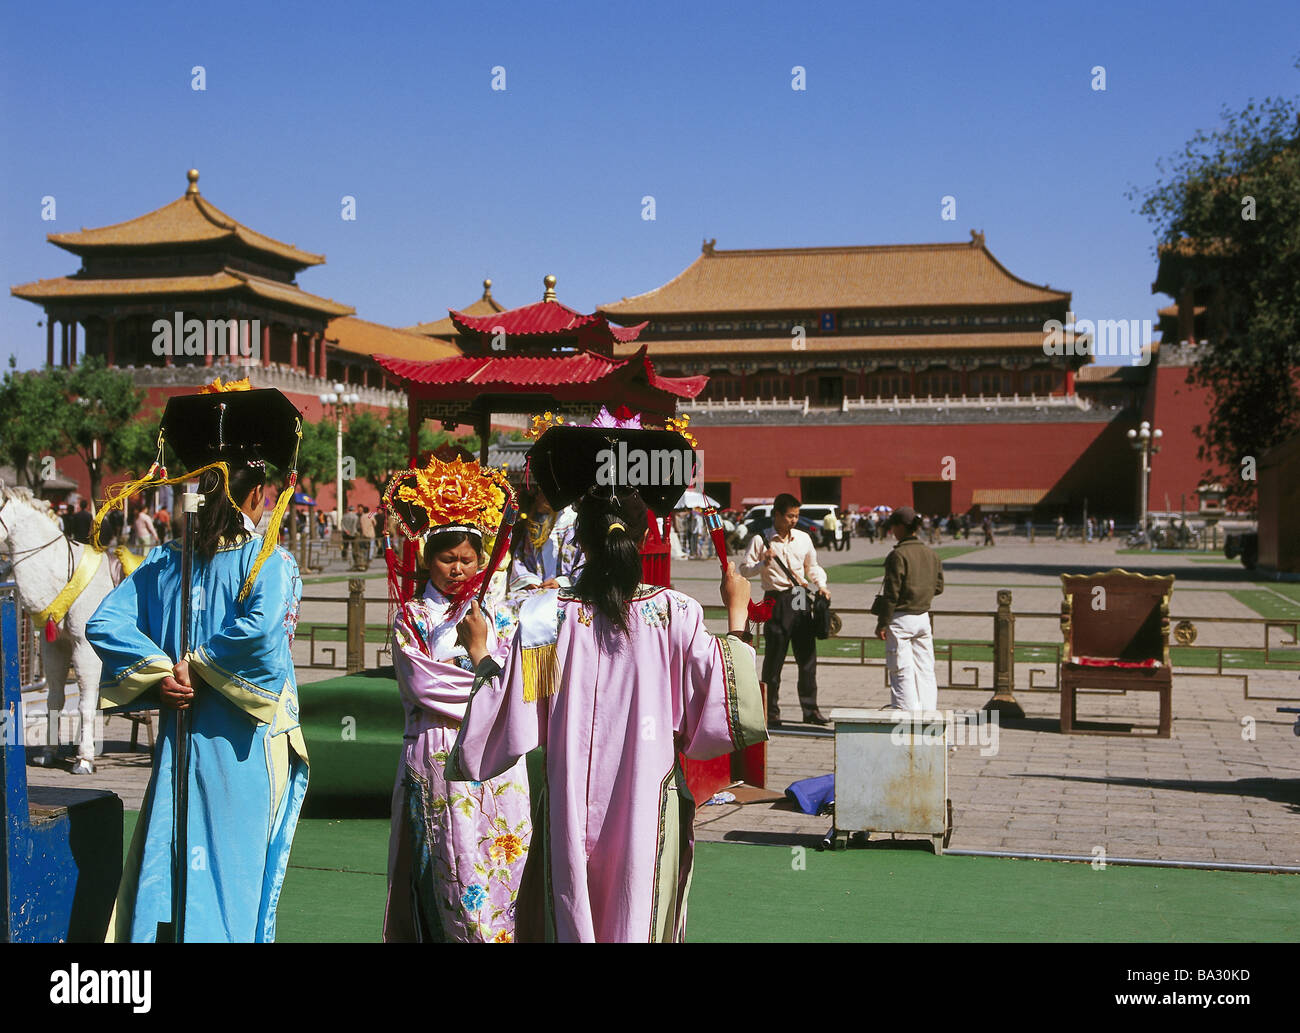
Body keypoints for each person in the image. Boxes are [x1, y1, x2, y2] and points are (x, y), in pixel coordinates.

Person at [449, 423, 765, 942]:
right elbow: (723, 704)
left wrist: (483, 656)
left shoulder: (546, 617)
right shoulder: (674, 614)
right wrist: (736, 620)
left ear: (580, 540)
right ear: (643, 539)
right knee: (636, 910)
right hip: (646, 798)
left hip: (568, 798)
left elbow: (523, 713)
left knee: (568, 907)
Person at [86, 384, 308, 942]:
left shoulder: (164, 562)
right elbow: (261, 638)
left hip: (182, 733)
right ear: (256, 493)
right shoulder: (269, 562)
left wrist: (165, 672)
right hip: (242, 742)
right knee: (229, 871)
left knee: (175, 859)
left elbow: (105, 622)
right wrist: (199, 667)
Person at [382, 453, 530, 942]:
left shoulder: (501, 615)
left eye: (469, 558)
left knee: (502, 863)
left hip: (499, 758)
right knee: (452, 861)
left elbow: (517, 683)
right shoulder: (414, 617)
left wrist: (479, 656)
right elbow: (423, 685)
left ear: (484, 559)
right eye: (448, 557)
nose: (458, 567)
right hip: (439, 753)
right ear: (428, 557)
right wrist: (485, 677)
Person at [740, 492, 830, 727]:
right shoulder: (761, 539)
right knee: (774, 657)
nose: (794, 520)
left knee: (807, 656)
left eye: (797, 516)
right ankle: (771, 712)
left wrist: (821, 586)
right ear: (777, 514)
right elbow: (744, 570)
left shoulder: (802, 538)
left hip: (800, 595)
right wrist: (763, 563)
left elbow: (813, 566)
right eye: (790, 516)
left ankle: (810, 710)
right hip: (776, 598)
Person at [874, 506, 944, 711]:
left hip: (900, 618)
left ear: (900, 527)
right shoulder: (931, 554)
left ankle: (906, 719)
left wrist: (882, 623)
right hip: (923, 617)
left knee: (901, 671)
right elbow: (939, 587)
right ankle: (928, 714)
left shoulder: (898, 555)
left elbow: (891, 594)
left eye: (893, 527)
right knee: (925, 670)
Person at [357, 504, 376, 569]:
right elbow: (374, 523)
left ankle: (365, 557)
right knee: (371, 546)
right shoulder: (370, 515)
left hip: (364, 534)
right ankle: (370, 557)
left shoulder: (362, 516)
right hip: (371, 533)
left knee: (365, 547)